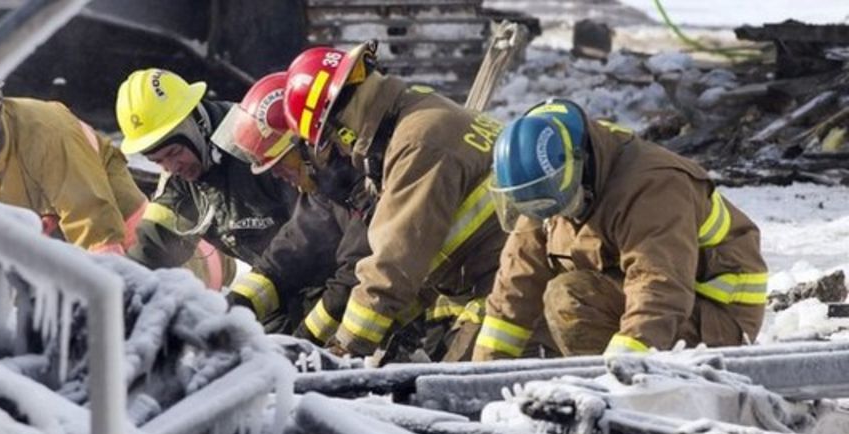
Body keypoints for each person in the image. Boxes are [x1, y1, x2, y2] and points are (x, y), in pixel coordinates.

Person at [472, 98, 768, 361]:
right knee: (538, 315)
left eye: (555, 207)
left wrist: (618, 374)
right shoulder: (543, 184)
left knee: (567, 297)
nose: (547, 217)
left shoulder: (653, 187)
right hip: (636, 294)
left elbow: (659, 287)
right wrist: (482, 378)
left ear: (578, 165)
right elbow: (515, 289)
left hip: (715, 315)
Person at [281, 42, 510, 360]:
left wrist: (345, 347)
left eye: (332, 139)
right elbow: (426, 252)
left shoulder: (417, 142)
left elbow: (395, 261)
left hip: (510, 284)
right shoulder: (418, 109)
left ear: (342, 127)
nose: (342, 153)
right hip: (491, 274)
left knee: (452, 393)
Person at [210, 72, 374, 345]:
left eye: (279, 162)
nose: (276, 175)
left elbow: (356, 275)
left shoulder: (365, 182)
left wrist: (303, 342)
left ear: (308, 144)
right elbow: (286, 256)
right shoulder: (327, 190)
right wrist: (234, 307)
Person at [115, 68, 298, 275]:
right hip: (281, 287)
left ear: (197, 123)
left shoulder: (258, 143)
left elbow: (315, 228)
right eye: (157, 161)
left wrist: (254, 292)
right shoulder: (179, 180)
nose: (172, 167)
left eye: (175, 152)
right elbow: (151, 251)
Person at [0, 88, 147, 255]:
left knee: (141, 246)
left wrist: (106, 289)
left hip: (93, 181)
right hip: (35, 211)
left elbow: (90, 217)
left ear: (0, 112)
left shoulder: (49, 133)